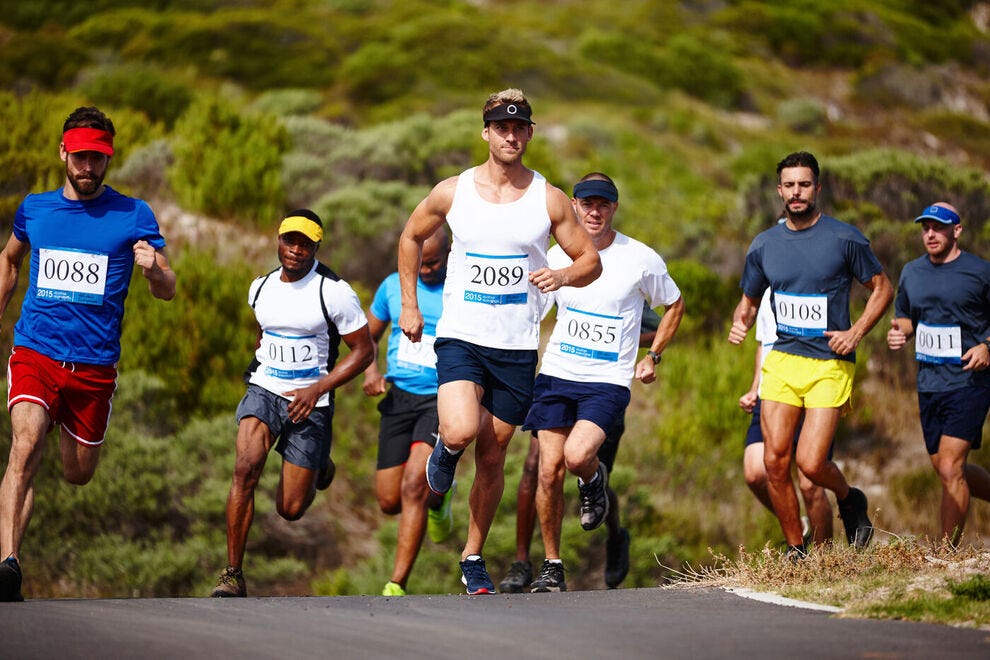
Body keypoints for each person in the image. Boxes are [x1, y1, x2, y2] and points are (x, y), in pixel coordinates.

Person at [396, 89, 601, 594]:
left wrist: (563, 276)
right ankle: (444, 450)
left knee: (492, 457)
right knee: (462, 429)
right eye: (501, 127)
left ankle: (471, 555)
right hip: (462, 336)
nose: (511, 135)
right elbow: (409, 236)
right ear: (486, 132)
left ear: (529, 133)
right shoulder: (454, 191)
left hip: (515, 347)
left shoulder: (548, 198)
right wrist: (409, 304)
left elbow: (590, 261)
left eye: (520, 128)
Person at [0, 106, 176, 602]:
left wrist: (154, 271)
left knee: (77, 473)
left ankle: (64, 435)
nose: (88, 168)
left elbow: (167, 287)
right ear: (63, 153)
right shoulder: (35, 209)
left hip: (94, 367)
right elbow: (10, 260)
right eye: (80, 157)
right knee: (25, 446)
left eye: (98, 159)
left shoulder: (134, 214)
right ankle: (7, 563)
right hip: (36, 351)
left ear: (108, 160)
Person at [522, 173, 684, 592]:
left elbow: (674, 304)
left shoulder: (640, 258)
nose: (595, 212)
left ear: (614, 208)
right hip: (557, 374)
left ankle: (595, 481)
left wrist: (653, 356)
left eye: (603, 205)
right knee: (547, 471)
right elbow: (532, 315)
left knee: (578, 457)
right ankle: (552, 566)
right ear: (573, 205)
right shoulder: (556, 256)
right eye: (587, 204)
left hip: (607, 381)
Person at [728, 151, 892, 558]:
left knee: (811, 463)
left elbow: (883, 288)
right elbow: (748, 300)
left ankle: (850, 497)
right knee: (774, 461)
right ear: (779, 190)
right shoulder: (765, 244)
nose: (796, 192)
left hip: (829, 364)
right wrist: (741, 321)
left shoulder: (844, 238)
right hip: (782, 360)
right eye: (789, 185)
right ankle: (796, 548)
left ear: (817, 188)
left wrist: (856, 333)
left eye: (804, 184)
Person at [211, 209, 374, 598]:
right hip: (265, 388)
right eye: (290, 240)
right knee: (245, 468)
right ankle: (232, 573)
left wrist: (318, 389)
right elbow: (264, 332)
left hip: (310, 401)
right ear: (279, 240)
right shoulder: (260, 286)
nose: (296, 250)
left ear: (317, 246)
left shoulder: (333, 291)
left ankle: (318, 463)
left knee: (290, 508)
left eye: (305, 244)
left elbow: (363, 352)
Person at [500, 303, 660, 593]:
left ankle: (615, 535)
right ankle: (523, 561)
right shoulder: (564, 270)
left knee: (593, 472)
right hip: (559, 381)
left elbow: (658, 328)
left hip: (603, 389)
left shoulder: (623, 282)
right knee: (537, 467)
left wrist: (622, 338)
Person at [887, 202, 990, 546]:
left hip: (969, 381)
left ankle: (945, 556)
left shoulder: (979, 271)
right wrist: (899, 331)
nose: (930, 234)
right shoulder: (912, 272)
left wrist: (986, 345)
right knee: (949, 470)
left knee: (950, 466)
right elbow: (907, 317)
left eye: (939, 227)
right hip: (929, 383)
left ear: (957, 230)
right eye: (925, 228)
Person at [363, 227, 455, 597]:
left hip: (441, 398)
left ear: (450, 253)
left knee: (414, 483)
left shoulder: (459, 290)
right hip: (399, 397)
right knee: (389, 501)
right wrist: (370, 370)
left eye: (433, 262)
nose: (426, 269)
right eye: (420, 261)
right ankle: (441, 495)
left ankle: (396, 582)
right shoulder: (393, 286)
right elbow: (366, 336)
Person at [737, 295, 833, 546]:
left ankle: (825, 560)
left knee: (810, 485)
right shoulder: (765, 285)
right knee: (755, 473)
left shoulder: (810, 279)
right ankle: (797, 525)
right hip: (770, 393)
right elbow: (763, 344)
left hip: (809, 391)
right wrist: (754, 388)